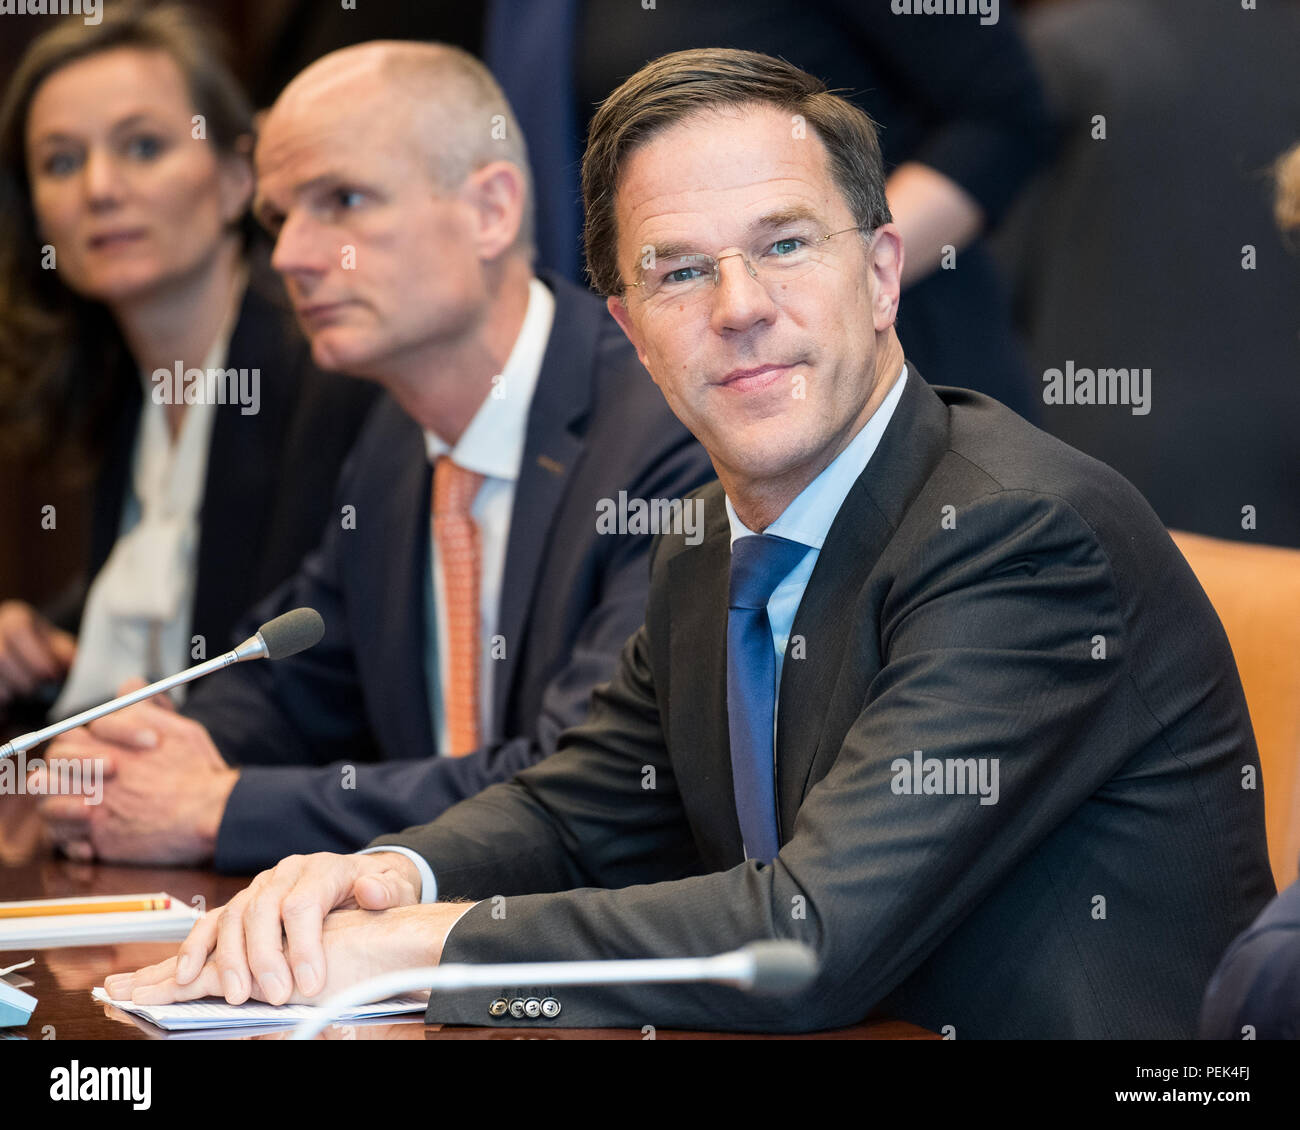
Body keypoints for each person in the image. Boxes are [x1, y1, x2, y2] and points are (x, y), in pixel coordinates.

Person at [106, 48, 1273, 1039]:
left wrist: (421, 941)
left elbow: (805, 935)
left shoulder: (1018, 537)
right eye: (676, 270)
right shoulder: (705, 546)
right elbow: (578, 808)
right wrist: (382, 873)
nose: (737, 306)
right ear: (631, 331)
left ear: (879, 275)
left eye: (782, 245)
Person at [36, 41, 712, 872]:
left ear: (490, 211)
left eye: (343, 201)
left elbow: (584, 785)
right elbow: (292, 682)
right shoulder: (393, 444)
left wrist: (222, 809)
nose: (288, 258)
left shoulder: (668, 432)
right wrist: (139, 761)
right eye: (279, 220)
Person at [0, 3, 377, 721]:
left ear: (239, 176)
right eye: (61, 161)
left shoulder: (329, 373)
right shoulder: (115, 385)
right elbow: (160, 602)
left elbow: (310, 669)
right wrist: (36, 640)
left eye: (142, 147)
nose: (99, 188)